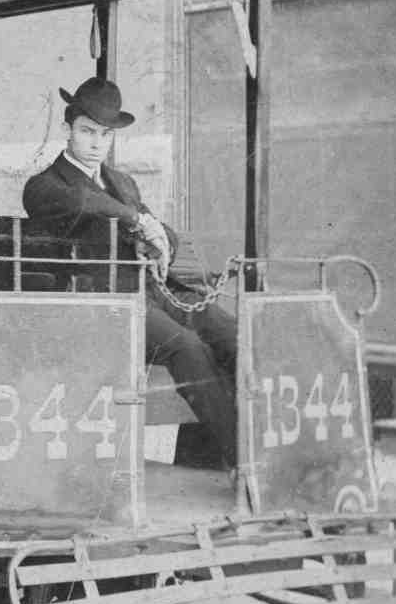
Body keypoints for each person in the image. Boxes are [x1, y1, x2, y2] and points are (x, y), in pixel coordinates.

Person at [22, 76, 238, 467]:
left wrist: (158, 241)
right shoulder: (44, 186)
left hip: (152, 294)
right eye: (87, 131)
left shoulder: (121, 181)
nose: (96, 144)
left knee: (231, 333)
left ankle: (266, 450)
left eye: (105, 135)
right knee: (186, 347)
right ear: (67, 128)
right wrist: (136, 221)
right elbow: (84, 203)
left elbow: (163, 233)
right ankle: (243, 458)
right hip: (100, 306)